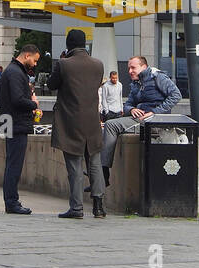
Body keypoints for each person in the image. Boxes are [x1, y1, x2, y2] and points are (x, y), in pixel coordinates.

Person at [49, 29, 106, 218]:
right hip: (92, 121)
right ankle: (99, 206)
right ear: (84, 44)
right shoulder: (98, 65)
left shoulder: (64, 64)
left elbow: (51, 85)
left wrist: (61, 60)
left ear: (68, 45)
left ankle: (77, 208)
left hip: (71, 121)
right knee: (95, 163)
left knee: (74, 166)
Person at [100, 56, 182, 185]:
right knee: (105, 127)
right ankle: (102, 171)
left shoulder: (157, 77)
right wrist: (131, 109)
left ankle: (103, 173)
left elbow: (176, 95)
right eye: (129, 68)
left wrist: (155, 112)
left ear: (144, 66)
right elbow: (127, 105)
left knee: (110, 125)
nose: (130, 71)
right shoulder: (136, 83)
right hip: (139, 119)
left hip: (153, 121)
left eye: (133, 67)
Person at [0, 44, 41, 214]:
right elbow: (17, 100)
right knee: (14, 164)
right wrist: (33, 104)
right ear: (27, 55)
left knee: (11, 162)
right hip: (15, 124)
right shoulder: (15, 73)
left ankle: (11, 201)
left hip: (9, 121)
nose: (35, 64)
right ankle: (12, 202)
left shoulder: (11, 71)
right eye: (35, 60)